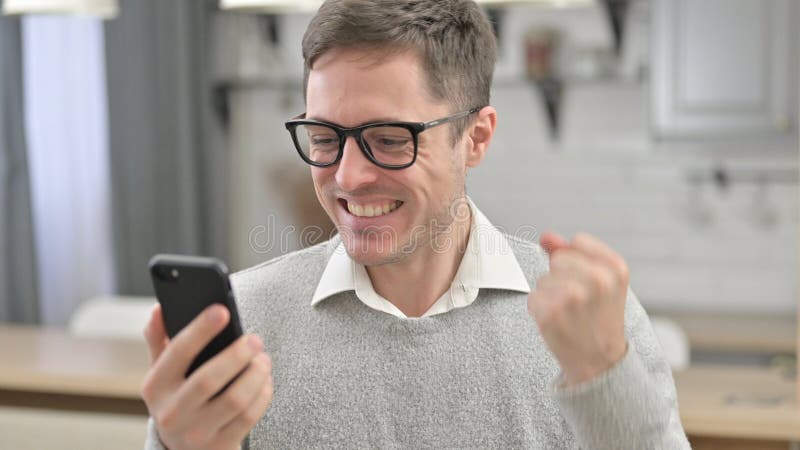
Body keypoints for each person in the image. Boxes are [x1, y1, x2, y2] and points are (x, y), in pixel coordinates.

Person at [143, 0, 690, 448]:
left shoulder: (588, 327)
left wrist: (604, 382)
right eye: (324, 138)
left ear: (475, 138)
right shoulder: (245, 321)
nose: (349, 178)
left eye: (388, 140)